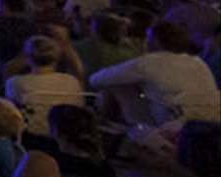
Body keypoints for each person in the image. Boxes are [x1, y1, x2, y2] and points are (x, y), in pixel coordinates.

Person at [91, 19, 221, 129]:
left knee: (118, 85)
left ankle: (109, 131)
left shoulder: (149, 62)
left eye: (148, 38)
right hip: (212, 121)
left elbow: (96, 79)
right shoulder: (198, 62)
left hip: (175, 123)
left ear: (156, 41)